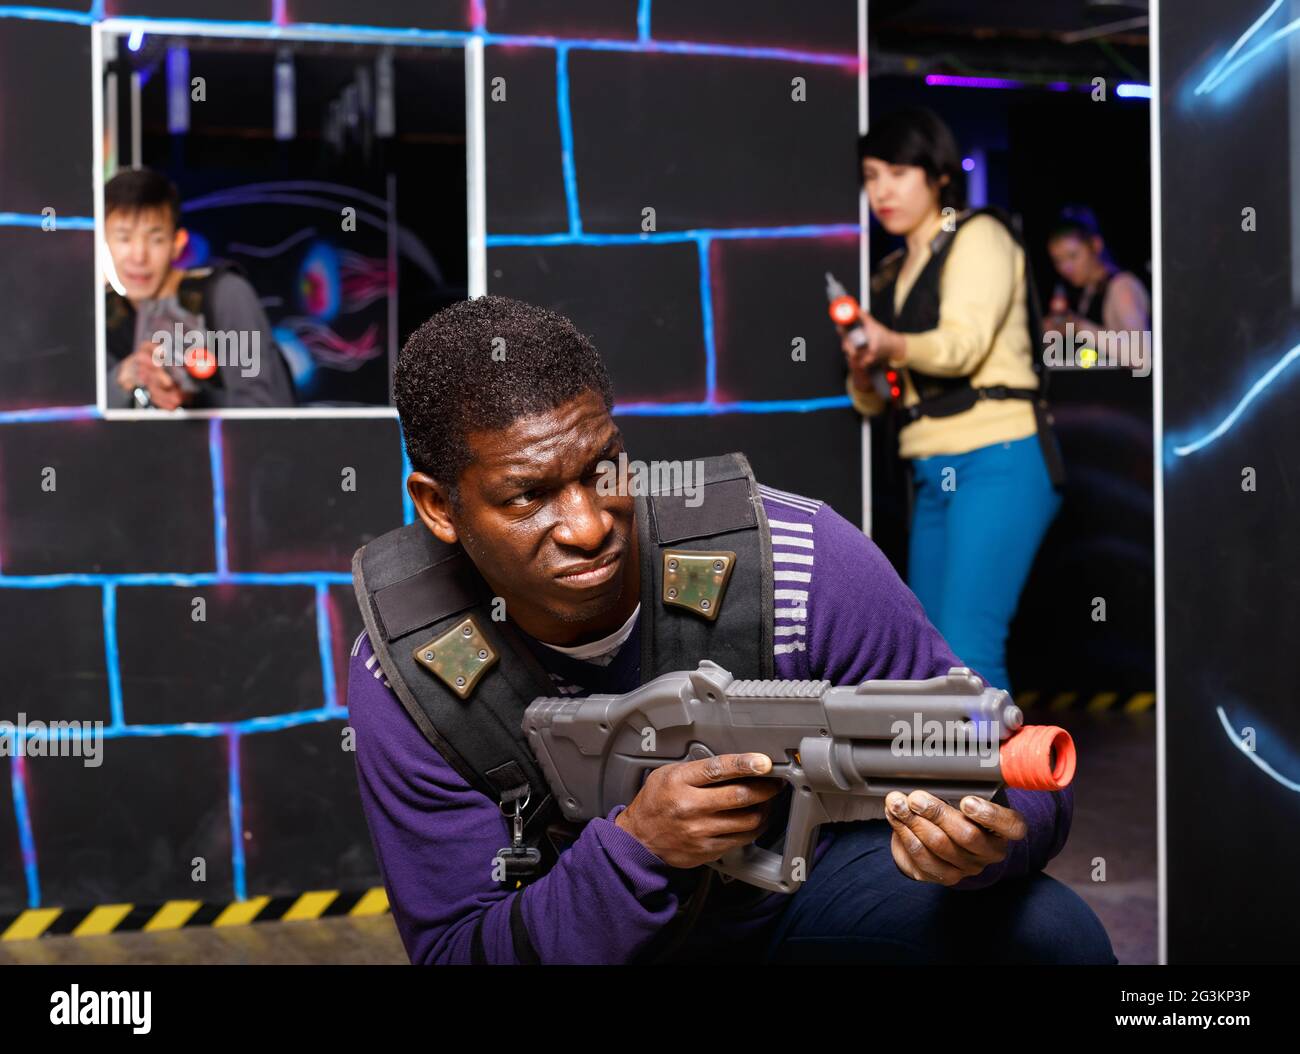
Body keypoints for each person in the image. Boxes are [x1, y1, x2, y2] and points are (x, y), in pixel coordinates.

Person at [346, 293, 1114, 965]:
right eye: (527, 497)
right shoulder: (412, 673)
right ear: (439, 507)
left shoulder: (796, 558)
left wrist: (988, 841)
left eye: (604, 468)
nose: (586, 525)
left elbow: (1009, 766)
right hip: (597, 942)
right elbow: (458, 952)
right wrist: (638, 850)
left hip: (795, 908)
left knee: (1047, 934)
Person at [841, 107, 1063, 695]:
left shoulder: (979, 234)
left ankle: (1003, 791)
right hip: (930, 471)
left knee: (970, 643)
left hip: (999, 456)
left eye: (898, 173)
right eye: (871, 176)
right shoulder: (891, 271)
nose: (882, 191)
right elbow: (872, 403)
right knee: (930, 653)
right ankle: (947, 785)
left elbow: (962, 348)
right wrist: (866, 369)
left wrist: (889, 342)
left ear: (938, 175)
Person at [102, 168, 295, 409]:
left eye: (156, 239)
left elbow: (267, 410)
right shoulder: (104, 316)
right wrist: (125, 376)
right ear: (103, 241)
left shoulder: (225, 295)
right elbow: (73, 420)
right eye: (124, 238)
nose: (139, 256)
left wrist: (192, 398)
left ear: (177, 243)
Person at [1044, 205, 1151, 340]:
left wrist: (1079, 326)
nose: (1066, 268)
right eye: (1058, 261)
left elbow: (1142, 352)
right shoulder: (1088, 291)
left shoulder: (1122, 287)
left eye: (1073, 256)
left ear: (1096, 245)